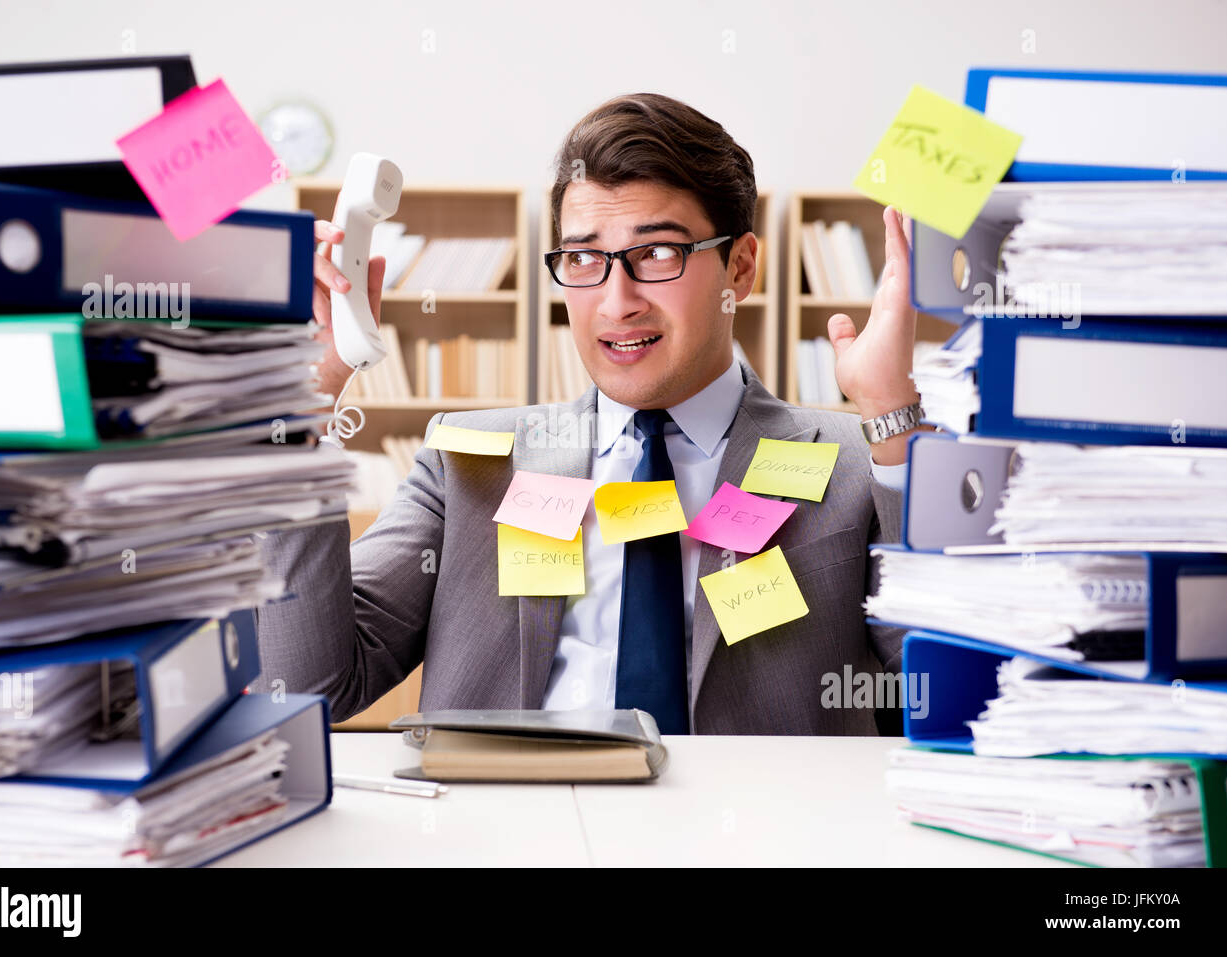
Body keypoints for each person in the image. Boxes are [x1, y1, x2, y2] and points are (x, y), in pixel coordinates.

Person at [252, 93, 922, 734]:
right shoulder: (467, 461)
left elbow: (941, 692)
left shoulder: (859, 461)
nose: (616, 302)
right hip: (514, 811)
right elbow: (311, 681)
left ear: (740, 268)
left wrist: (893, 414)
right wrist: (301, 403)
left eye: (657, 253)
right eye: (583, 258)